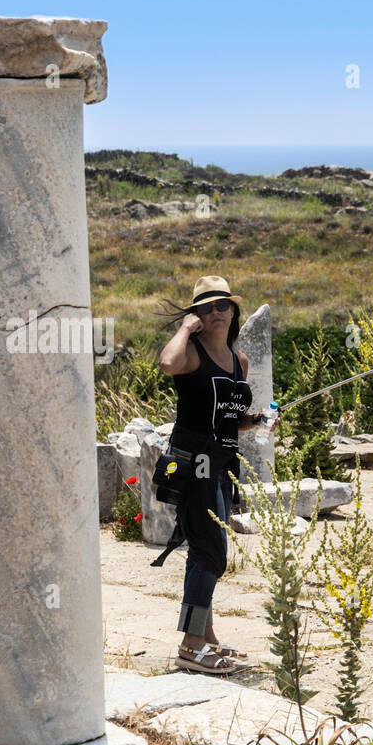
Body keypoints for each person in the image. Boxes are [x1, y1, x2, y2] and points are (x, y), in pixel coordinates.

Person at [157, 275, 272, 673]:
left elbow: (229, 419)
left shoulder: (239, 361)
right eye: (206, 307)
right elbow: (167, 364)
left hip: (223, 464)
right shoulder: (189, 353)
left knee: (206, 548)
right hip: (192, 463)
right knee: (211, 550)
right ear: (196, 315)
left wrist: (255, 421)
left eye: (223, 305)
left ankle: (205, 637)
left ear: (234, 310)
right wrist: (185, 328)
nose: (216, 312)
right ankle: (191, 646)